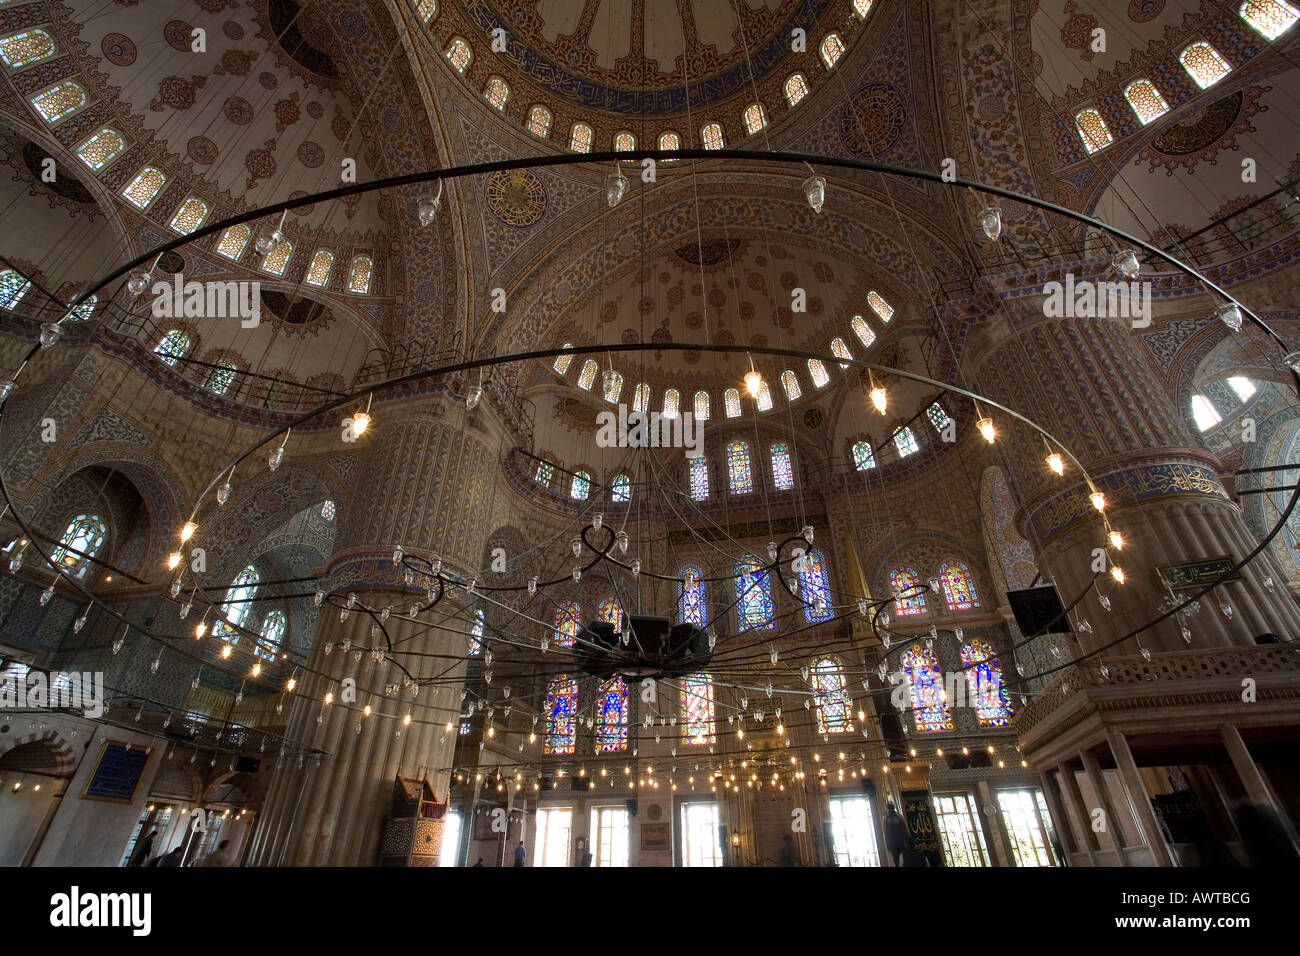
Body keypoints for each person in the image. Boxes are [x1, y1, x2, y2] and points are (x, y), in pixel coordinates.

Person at [884, 801, 909, 867]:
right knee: (905, 860)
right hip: (901, 843)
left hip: (893, 844)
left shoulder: (885, 818)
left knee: (897, 861)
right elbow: (906, 830)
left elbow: (885, 832)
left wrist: (887, 845)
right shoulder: (900, 816)